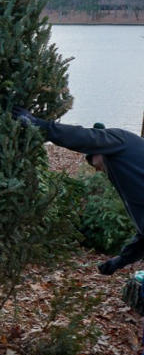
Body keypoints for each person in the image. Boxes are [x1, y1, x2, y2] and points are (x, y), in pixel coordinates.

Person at [14, 107, 144, 275]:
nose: (96, 169)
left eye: (92, 162)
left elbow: (82, 137)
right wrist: (120, 261)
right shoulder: (126, 168)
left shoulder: (119, 139)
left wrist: (40, 125)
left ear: (99, 149)